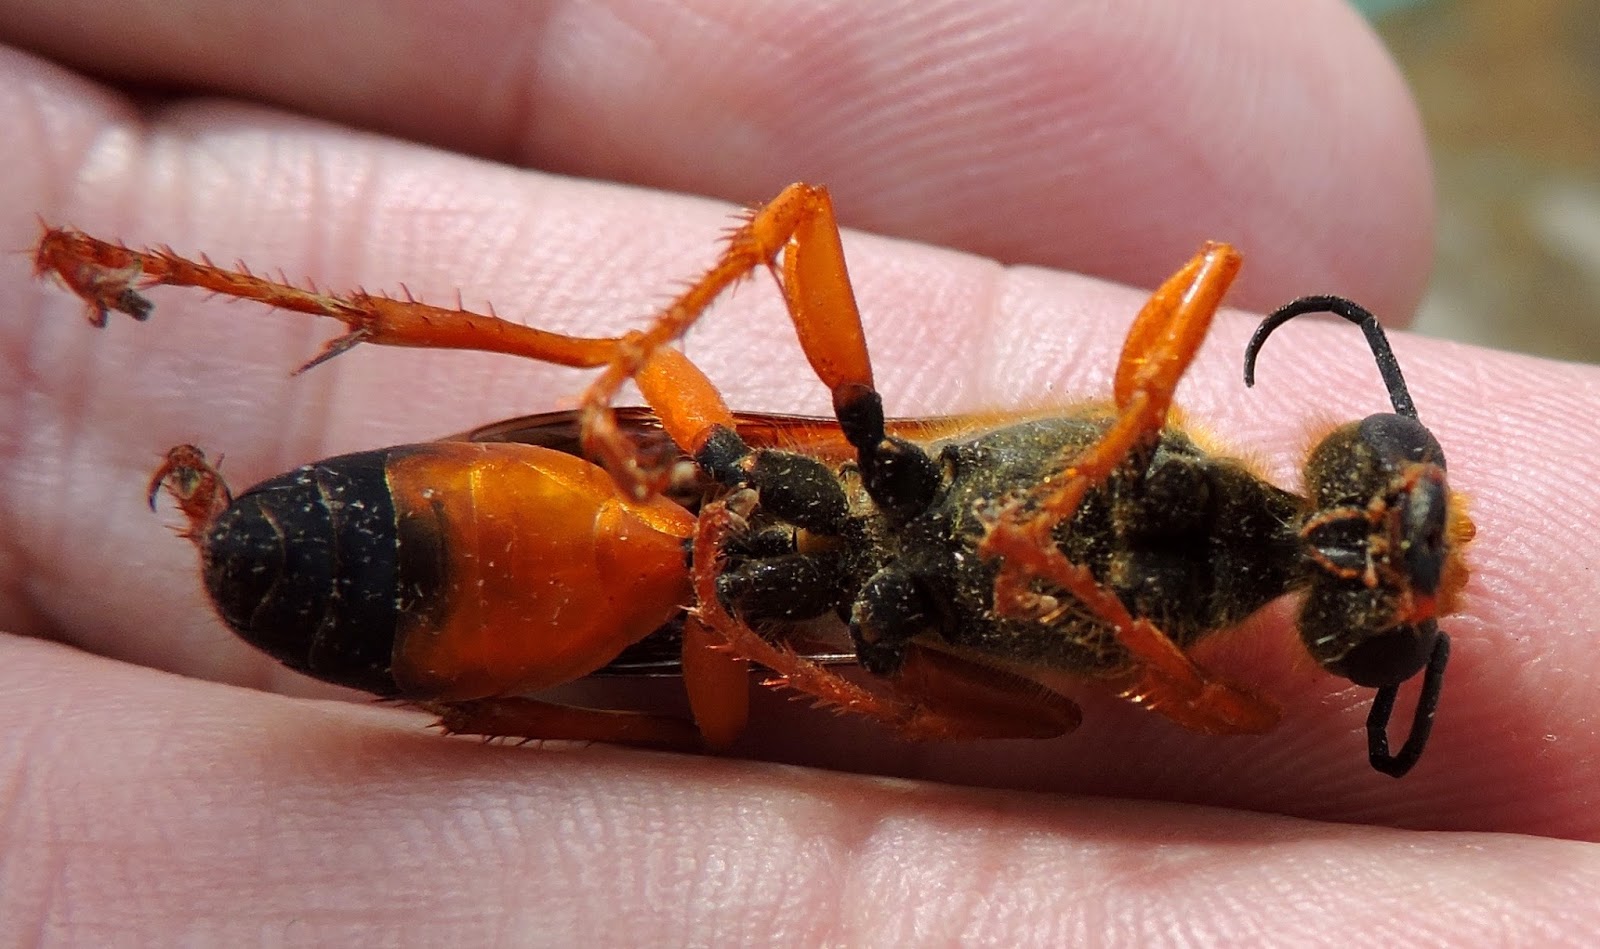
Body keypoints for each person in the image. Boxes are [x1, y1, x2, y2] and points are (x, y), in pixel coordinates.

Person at [1, 1, 1588, 943]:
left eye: (1379, 600)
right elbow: (1197, 269)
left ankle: (522, 629)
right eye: (1388, 493)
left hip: (701, 639)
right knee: (705, 303)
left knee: (674, 396)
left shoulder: (1172, 665)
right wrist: (1084, 476)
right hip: (709, 502)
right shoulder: (1174, 433)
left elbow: (1061, 703)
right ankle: (275, 296)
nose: (1369, 547)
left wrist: (806, 662)